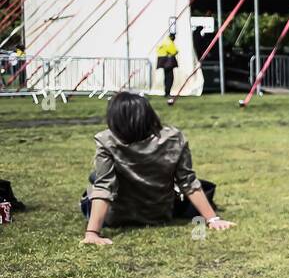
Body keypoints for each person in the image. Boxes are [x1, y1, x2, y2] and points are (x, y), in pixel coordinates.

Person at [80, 92, 233, 245]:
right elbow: (188, 181)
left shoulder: (107, 140)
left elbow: (104, 186)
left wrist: (92, 233)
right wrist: (212, 219)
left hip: (116, 217)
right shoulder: (174, 138)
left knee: (95, 179)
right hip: (158, 215)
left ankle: (94, 218)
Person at [156, 31, 180, 105]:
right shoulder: (169, 42)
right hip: (168, 61)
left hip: (162, 61)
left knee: (166, 77)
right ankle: (167, 92)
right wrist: (176, 51)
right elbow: (174, 51)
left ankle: (166, 92)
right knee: (170, 78)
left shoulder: (164, 41)